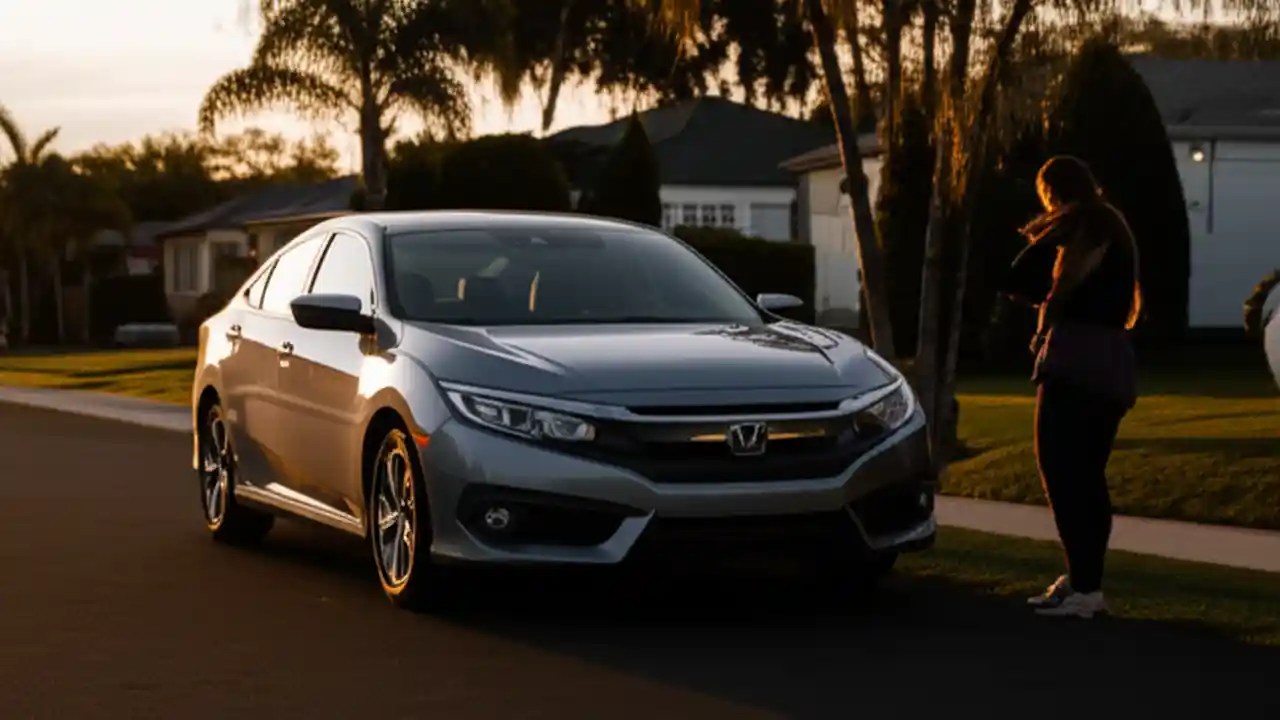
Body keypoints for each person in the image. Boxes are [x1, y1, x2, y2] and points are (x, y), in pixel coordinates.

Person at [1002, 155, 1143, 619]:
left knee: (1063, 473)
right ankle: (1084, 580)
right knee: (1084, 475)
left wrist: (1052, 230)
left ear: (1054, 194)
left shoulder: (1087, 223)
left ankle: (1086, 586)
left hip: (1079, 363)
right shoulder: (1112, 224)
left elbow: (1017, 276)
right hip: (1110, 363)